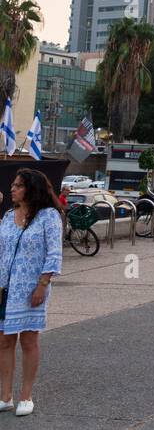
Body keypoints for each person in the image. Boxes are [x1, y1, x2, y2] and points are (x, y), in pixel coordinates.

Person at [0, 168, 63, 416]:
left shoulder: (49, 217)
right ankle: (5, 395)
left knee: (28, 340)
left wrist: (43, 284)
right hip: (5, 288)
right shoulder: (7, 216)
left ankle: (26, 395)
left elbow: (54, 252)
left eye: (17, 185)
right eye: (13, 185)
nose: (12, 189)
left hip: (31, 288)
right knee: (4, 341)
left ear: (31, 189)